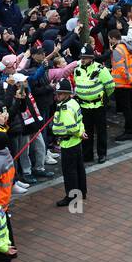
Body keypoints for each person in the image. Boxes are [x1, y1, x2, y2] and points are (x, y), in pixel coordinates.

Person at [74, 45, 113, 164]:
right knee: (87, 131)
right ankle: (87, 155)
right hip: (84, 107)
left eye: (85, 58)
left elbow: (110, 86)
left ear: (91, 58)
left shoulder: (100, 69)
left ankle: (102, 154)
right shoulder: (77, 69)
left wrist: (104, 98)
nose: (82, 60)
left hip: (98, 106)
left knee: (101, 131)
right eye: (81, 58)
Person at [51, 78, 87, 208]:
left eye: (60, 93)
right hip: (76, 143)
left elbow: (71, 127)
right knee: (79, 169)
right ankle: (81, 192)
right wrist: (81, 132)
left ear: (67, 94)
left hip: (68, 143)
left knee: (69, 172)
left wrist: (78, 132)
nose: (58, 96)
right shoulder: (73, 102)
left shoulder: (65, 109)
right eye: (57, 93)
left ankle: (72, 197)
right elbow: (80, 121)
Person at [108, 29, 132, 142]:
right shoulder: (131, 46)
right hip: (131, 82)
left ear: (113, 38)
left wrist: (131, 80)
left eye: (110, 39)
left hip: (122, 84)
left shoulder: (118, 50)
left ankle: (129, 131)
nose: (109, 41)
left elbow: (121, 69)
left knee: (126, 108)